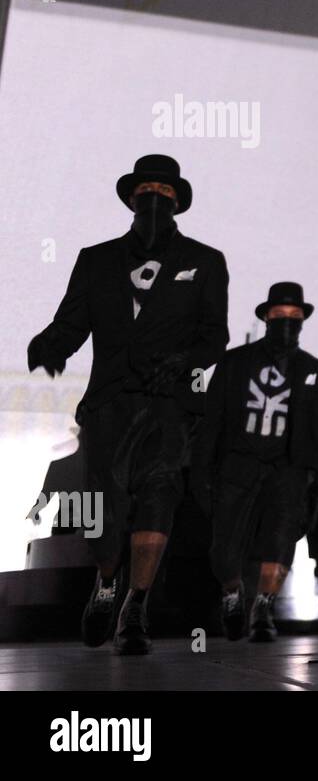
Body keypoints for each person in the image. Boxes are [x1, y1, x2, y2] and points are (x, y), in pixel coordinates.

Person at [27, 154, 229, 654]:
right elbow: (72, 322)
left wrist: (183, 362)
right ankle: (107, 584)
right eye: (146, 190)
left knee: (159, 500)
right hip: (109, 404)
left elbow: (215, 336)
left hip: (170, 406)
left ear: (178, 201)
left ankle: (135, 608)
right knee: (107, 510)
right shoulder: (95, 259)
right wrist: (48, 347)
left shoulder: (205, 261)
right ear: (131, 199)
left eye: (164, 191)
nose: (155, 198)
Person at [193, 282, 318, 642]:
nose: (287, 321)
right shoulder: (234, 362)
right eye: (279, 315)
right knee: (224, 548)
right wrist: (200, 473)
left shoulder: (315, 369)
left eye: (294, 316)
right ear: (266, 317)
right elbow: (213, 421)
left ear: (303, 320)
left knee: (280, 540)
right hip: (238, 465)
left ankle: (263, 610)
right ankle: (232, 595)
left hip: (287, 469)